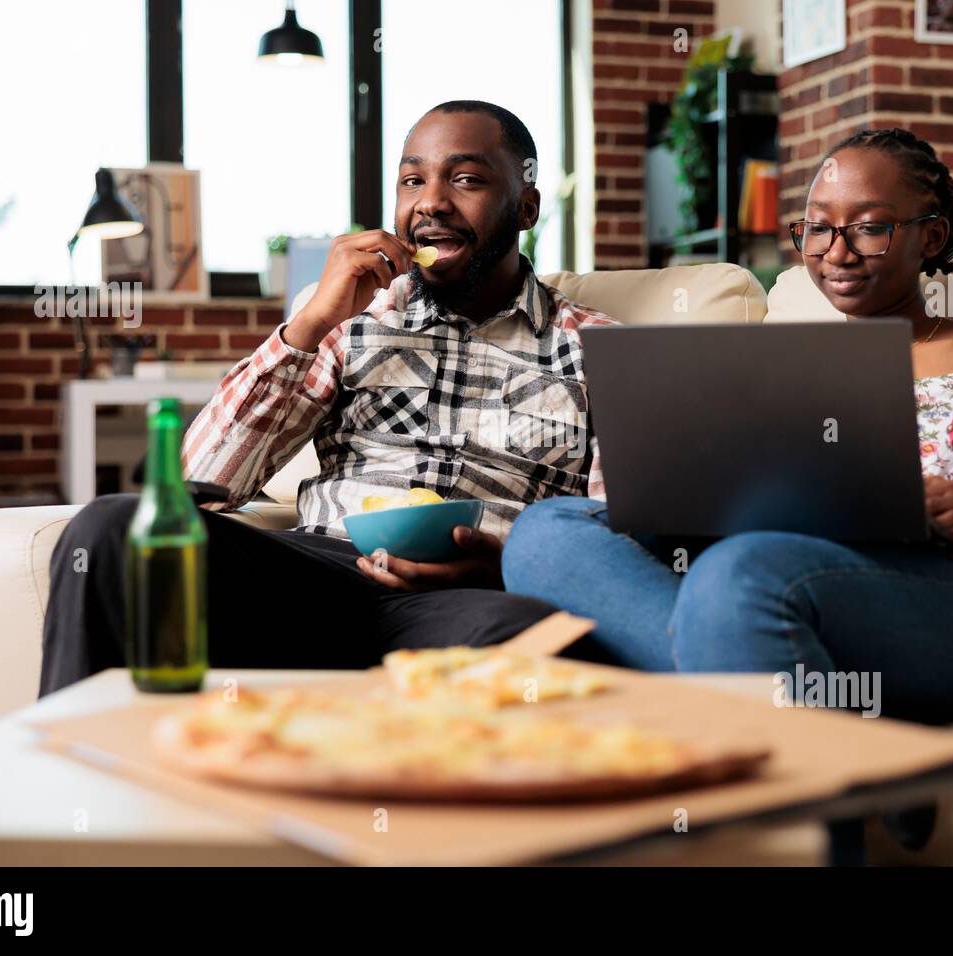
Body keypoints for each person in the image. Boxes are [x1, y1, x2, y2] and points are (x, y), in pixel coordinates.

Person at [502, 127, 953, 724]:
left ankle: (797, 721)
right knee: (544, 536)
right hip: (789, 575)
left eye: (869, 226)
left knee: (745, 574)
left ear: (932, 236)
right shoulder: (775, 371)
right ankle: (836, 730)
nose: (836, 250)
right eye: (817, 228)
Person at [39, 101, 617, 695]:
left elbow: (613, 542)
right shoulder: (350, 321)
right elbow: (200, 482)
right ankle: (77, 779)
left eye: (465, 179)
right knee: (110, 530)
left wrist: (507, 568)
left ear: (526, 206)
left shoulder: (599, 349)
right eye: (412, 180)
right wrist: (309, 324)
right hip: (317, 577)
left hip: (469, 599)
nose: (431, 202)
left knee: (526, 638)